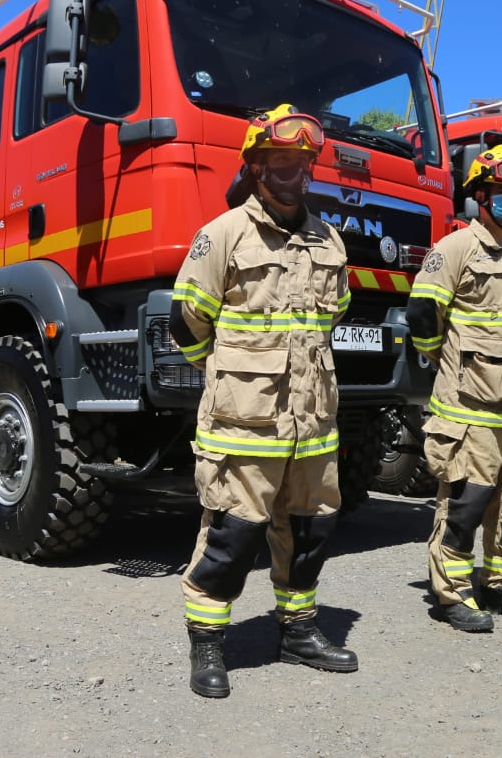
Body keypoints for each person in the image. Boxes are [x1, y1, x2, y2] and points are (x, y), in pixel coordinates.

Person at [170, 104, 357, 698]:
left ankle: (299, 630)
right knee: (233, 536)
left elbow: (336, 314)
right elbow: (186, 322)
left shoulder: (328, 239)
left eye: (302, 164)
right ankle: (208, 645)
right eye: (279, 162)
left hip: (314, 425)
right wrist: (231, 374)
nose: (293, 174)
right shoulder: (222, 234)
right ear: (254, 167)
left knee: (308, 535)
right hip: (242, 425)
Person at [406, 143, 502, 632]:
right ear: (481, 196)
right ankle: (454, 592)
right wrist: (445, 363)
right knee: (466, 502)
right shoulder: (455, 248)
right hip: (470, 408)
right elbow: (423, 314)